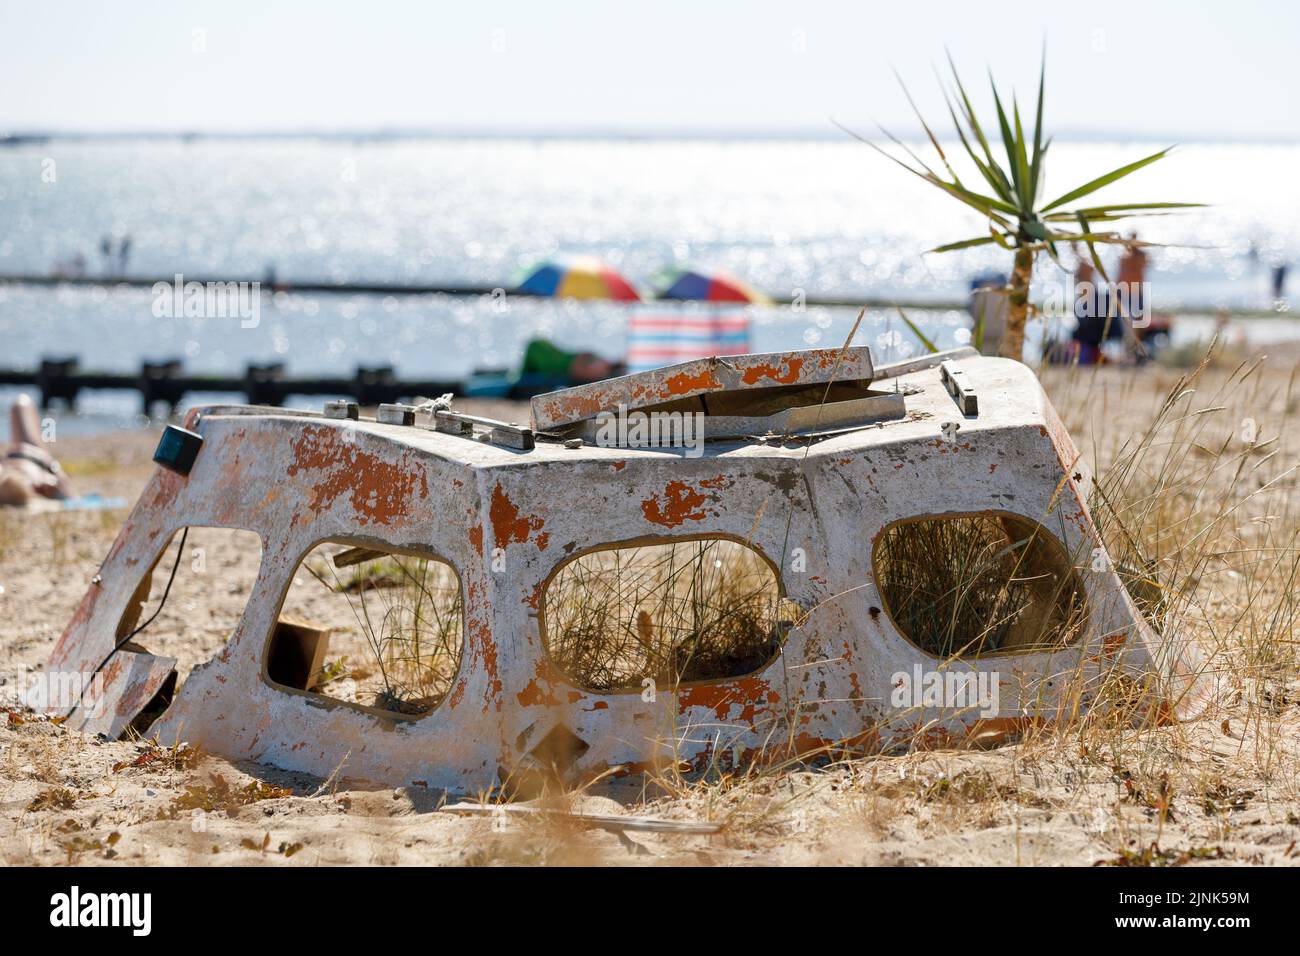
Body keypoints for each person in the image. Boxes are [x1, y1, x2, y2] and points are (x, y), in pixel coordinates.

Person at [0, 395, 72, 506]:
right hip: (36, 458)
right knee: (22, 404)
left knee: (21, 404)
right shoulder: (43, 485)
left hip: (26, 459)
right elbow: (65, 489)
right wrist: (53, 468)